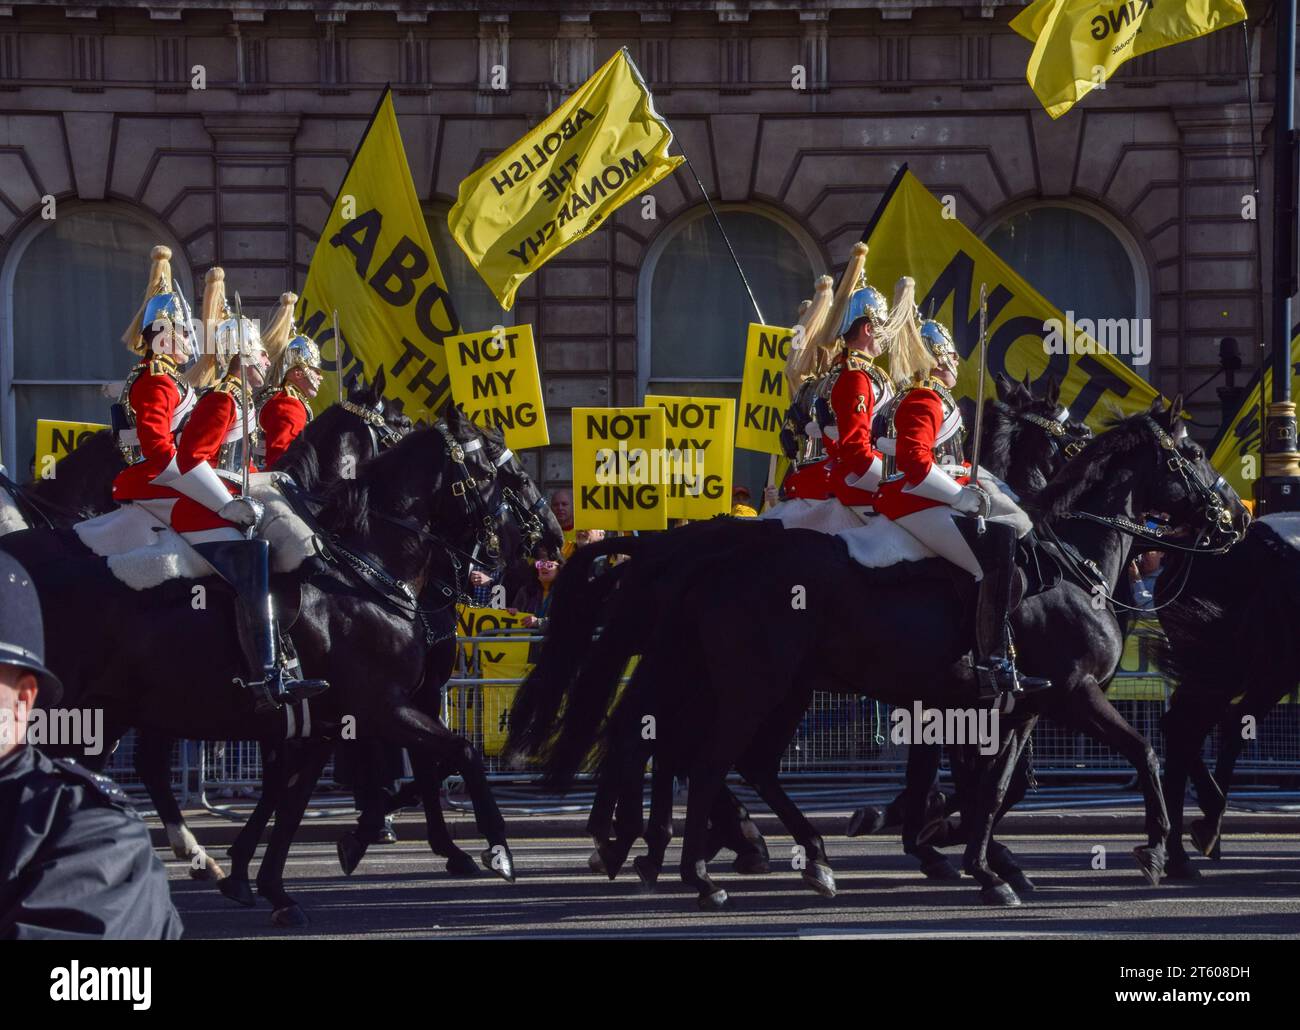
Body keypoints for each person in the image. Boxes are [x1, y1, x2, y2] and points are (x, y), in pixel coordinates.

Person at [155, 277, 328, 712]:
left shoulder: (242, 401)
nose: (269, 359)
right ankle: (267, 673)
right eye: (263, 353)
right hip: (202, 506)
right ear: (245, 355)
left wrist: (269, 486)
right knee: (254, 559)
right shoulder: (222, 401)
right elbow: (193, 459)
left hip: (227, 500)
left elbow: (246, 465)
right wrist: (231, 501)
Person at [871, 307, 1050, 707]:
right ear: (936, 359)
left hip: (923, 495)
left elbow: (952, 459)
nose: (955, 361)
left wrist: (997, 484)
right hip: (914, 501)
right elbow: (917, 463)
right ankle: (992, 662)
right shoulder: (924, 398)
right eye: (950, 355)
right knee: (994, 557)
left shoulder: (931, 398)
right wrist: (959, 497)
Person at [0, 551, 182, 940]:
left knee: (253, 556)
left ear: (22, 701)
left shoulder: (89, 833)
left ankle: (267, 661)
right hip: (139, 519)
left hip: (178, 527)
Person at [110, 245, 200, 499]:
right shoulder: (156, 380)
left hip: (170, 478)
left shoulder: (169, 377)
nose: (189, 339)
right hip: (157, 482)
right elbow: (156, 445)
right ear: (167, 334)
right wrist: (193, 480)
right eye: (184, 332)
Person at [257, 293, 324, 469]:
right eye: (315, 371)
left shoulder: (285, 399)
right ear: (297, 373)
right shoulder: (289, 404)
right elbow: (283, 459)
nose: (320, 376)